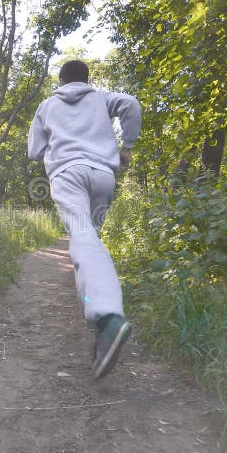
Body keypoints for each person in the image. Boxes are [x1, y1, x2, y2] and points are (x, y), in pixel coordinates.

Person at [27, 59, 142, 380]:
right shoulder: (101, 97)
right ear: (86, 79)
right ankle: (95, 316)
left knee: (83, 240)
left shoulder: (47, 105)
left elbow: (35, 151)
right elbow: (131, 105)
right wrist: (127, 146)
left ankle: (108, 318)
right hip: (103, 174)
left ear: (61, 81)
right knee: (89, 242)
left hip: (67, 175)